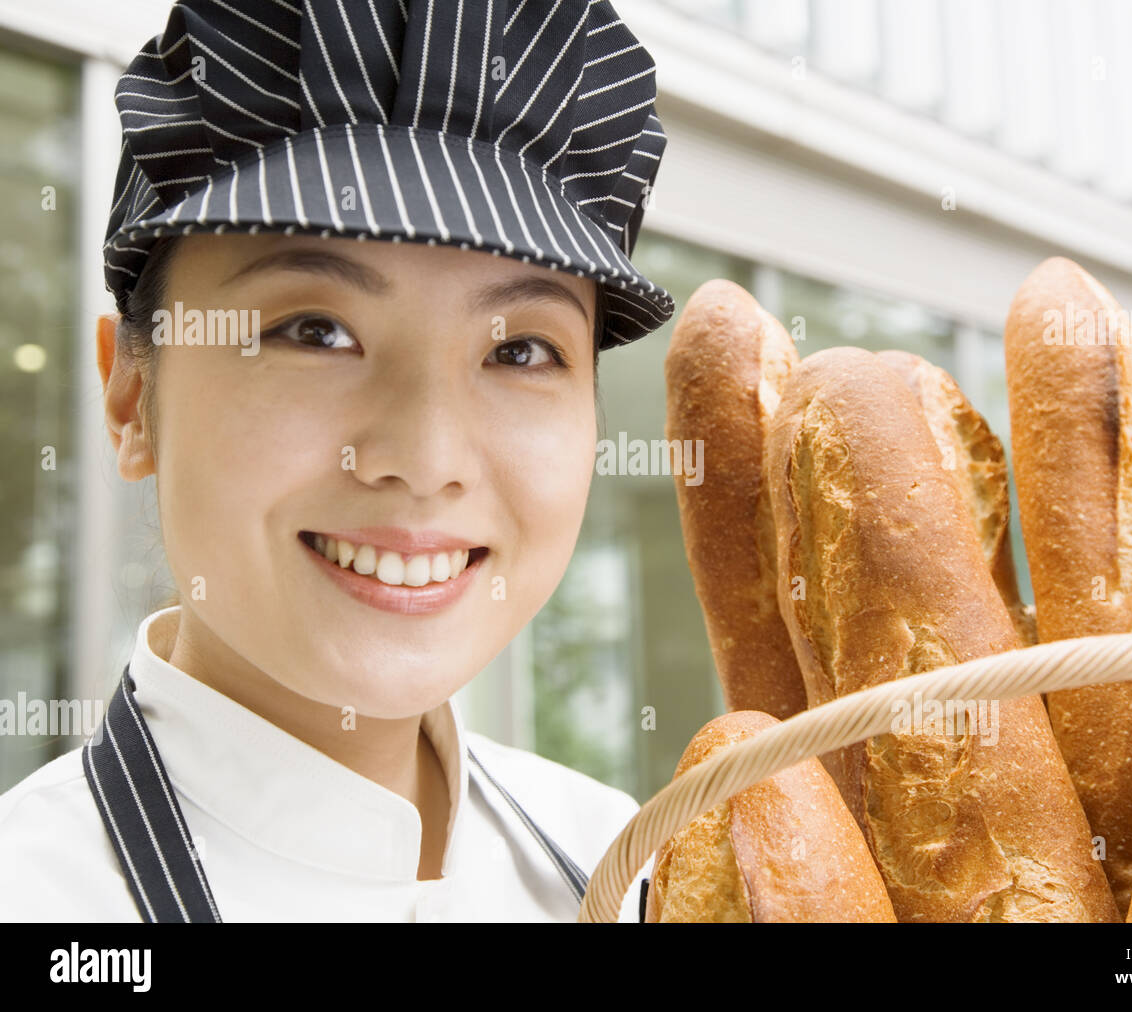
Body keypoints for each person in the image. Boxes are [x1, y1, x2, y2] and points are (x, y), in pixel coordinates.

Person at [0, 0, 674, 922]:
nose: (426, 459)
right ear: (131, 399)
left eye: (520, 350)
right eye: (314, 331)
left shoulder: (634, 867)